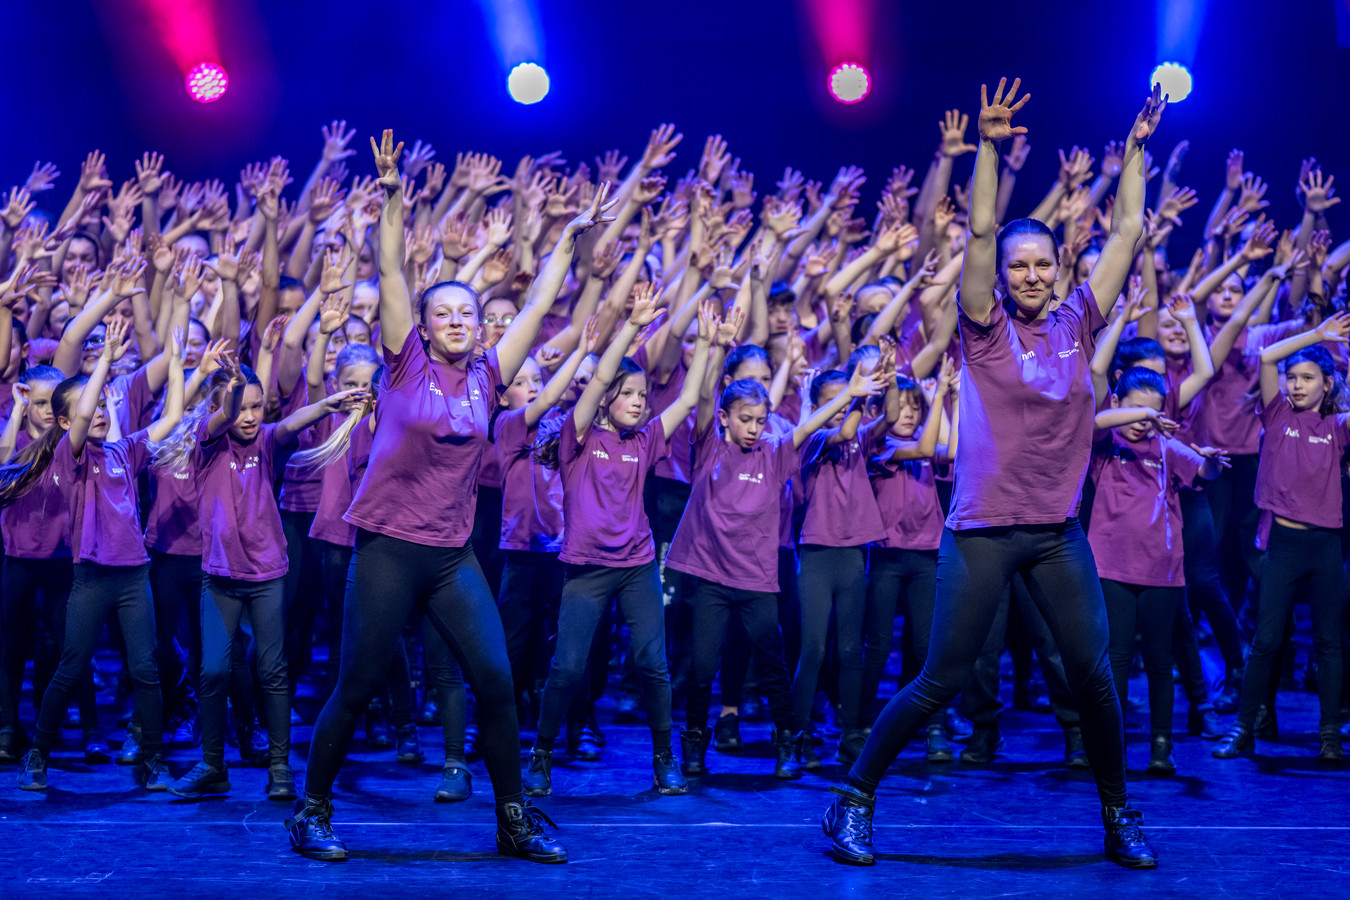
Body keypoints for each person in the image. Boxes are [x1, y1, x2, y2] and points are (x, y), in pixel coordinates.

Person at [822, 78, 1167, 870]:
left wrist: (1137, 151)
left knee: (1095, 677)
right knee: (940, 678)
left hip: (1055, 536)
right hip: (980, 533)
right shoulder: (983, 330)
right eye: (1021, 265)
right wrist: (987, 148)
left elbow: (1126, 231)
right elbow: (979, 234)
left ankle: (1119, 815)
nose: (1033, 274)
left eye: (1045, 263)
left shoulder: (1079, 320)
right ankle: (852, 800)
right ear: (1006, 274)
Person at [289, 130, 611, 865]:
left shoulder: (488, 376)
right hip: (388, 551)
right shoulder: (404, 367)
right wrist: (397, 195)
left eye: (471, 311)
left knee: (496, 683)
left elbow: (538, 299)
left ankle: (511, 820)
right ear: (426, 329)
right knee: (361, 681)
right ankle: (311, 810)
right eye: (448, 313)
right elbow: (393, 269)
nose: (462, 318)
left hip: (451, 555)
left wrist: (570, 237)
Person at [673, 310, 890, 780]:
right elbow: (704, 401)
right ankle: (693, 745)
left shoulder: (774, 454)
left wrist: (850, 396)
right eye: (745, 420)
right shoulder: (710, 444)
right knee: (702, 666)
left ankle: (788, 743)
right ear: (727, 419)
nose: (753, 427)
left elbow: (808, 427)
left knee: (773, 666)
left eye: (760, 420)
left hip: (756, 581)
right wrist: (715, 349)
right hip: (713, 578)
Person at [523, 286, 714, 798]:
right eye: (627, 395)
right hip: (586, 568)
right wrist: (631, 325)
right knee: (566, 667)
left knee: (654, 664)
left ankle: (664, 759)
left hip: (636, 566)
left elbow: (690, 399)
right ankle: (540, 755)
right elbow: (603, 374)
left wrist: (713, 348)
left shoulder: (646, 440)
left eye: (642, 396)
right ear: (608, 398)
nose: (636, 402)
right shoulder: (577, 439)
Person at [14, 312, 185, 791]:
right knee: (71, 666)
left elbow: (171, 417)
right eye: (92, 409)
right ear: (65, 422)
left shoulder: (124, 451)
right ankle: (38, 754)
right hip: (90, 577)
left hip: (134, 577)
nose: (103, 413)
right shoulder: (70, 457)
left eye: (108, 406)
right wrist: (106, 360)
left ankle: (152, 759)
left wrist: (174, 360)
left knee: (146, 669)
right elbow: (85, 414)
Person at [1214, 315, 1350, 762]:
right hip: (1284, 546)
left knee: (1330, 642)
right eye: (1293, 378)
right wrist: (1318, 335)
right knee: (1266, 640)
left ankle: (1329, 734)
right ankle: (1245, 727)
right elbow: (1268, 355)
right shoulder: (1276, 413)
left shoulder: (1337, 427)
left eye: (1307, 378)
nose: (1296, 385)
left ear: (1326, 384)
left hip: (1325, 547)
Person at [1089, 366, 1226, 773]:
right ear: (1118, 405)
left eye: (1151, 415)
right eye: (1135, 414)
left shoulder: (1167, 447)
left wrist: (1212, 462)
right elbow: (1096, 420)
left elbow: (1205, 471)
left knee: (1159, 662)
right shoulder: (1105, 444)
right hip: (1110, 569)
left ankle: (1161, 747)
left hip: (1162, 573)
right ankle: (1112, 742)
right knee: (1114, 659)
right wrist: (1139, 415)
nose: (1143, 424)